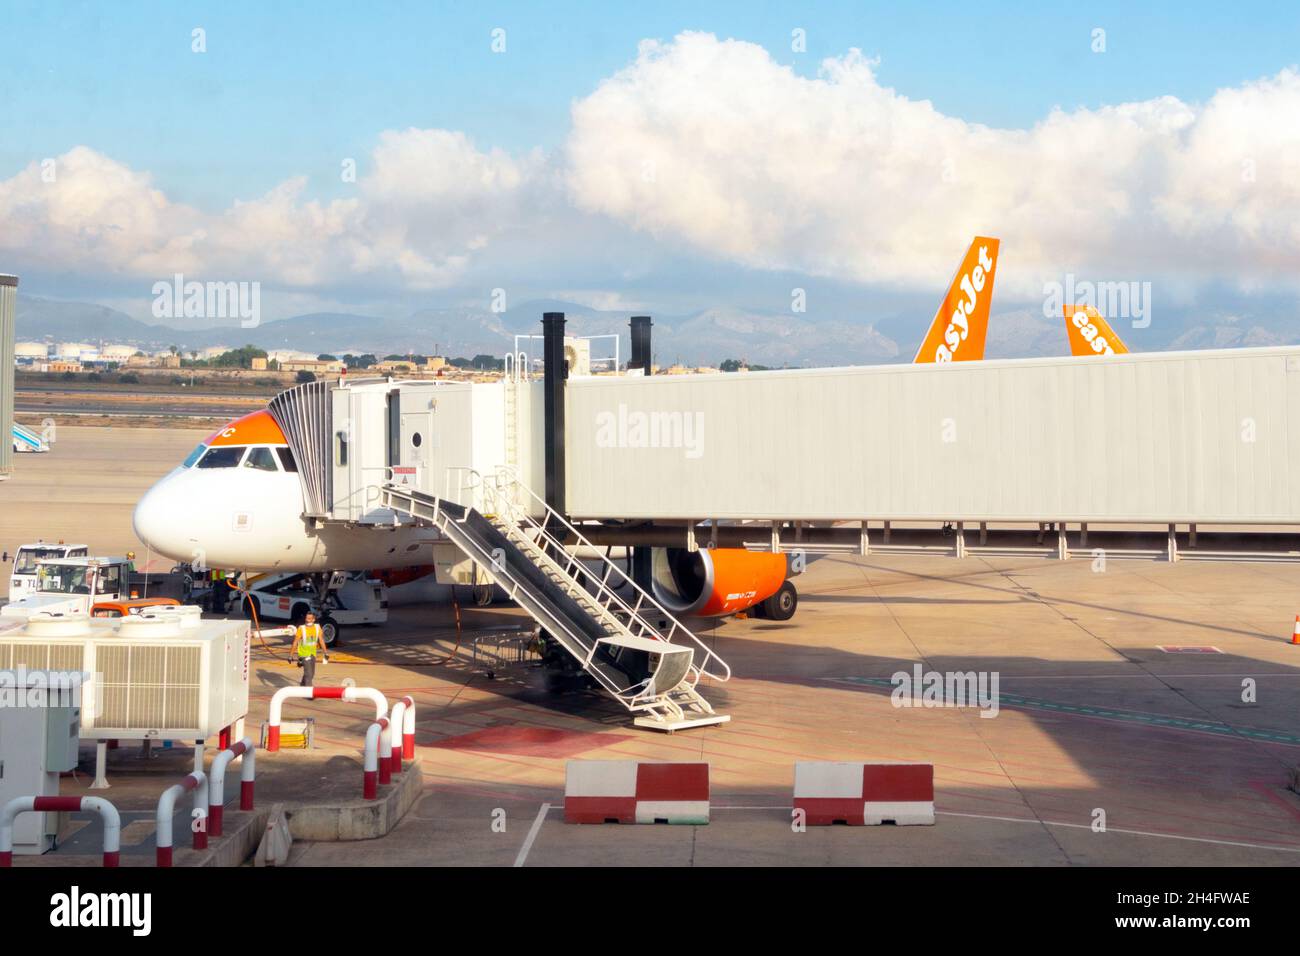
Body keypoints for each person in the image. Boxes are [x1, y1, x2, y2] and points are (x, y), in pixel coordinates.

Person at [290, 612, 328, 686]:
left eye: (309, 619)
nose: (307, 620)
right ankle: (309, 692)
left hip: (312, 653)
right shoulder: (301, 628)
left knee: (311, 673)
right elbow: (295, 642)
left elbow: (321, 640)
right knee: (309, 674)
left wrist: (325, 653)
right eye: (306, 618)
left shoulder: (317, 628)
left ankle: (303, 683)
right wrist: (290, 655)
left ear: (313, 619)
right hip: (303, 654)